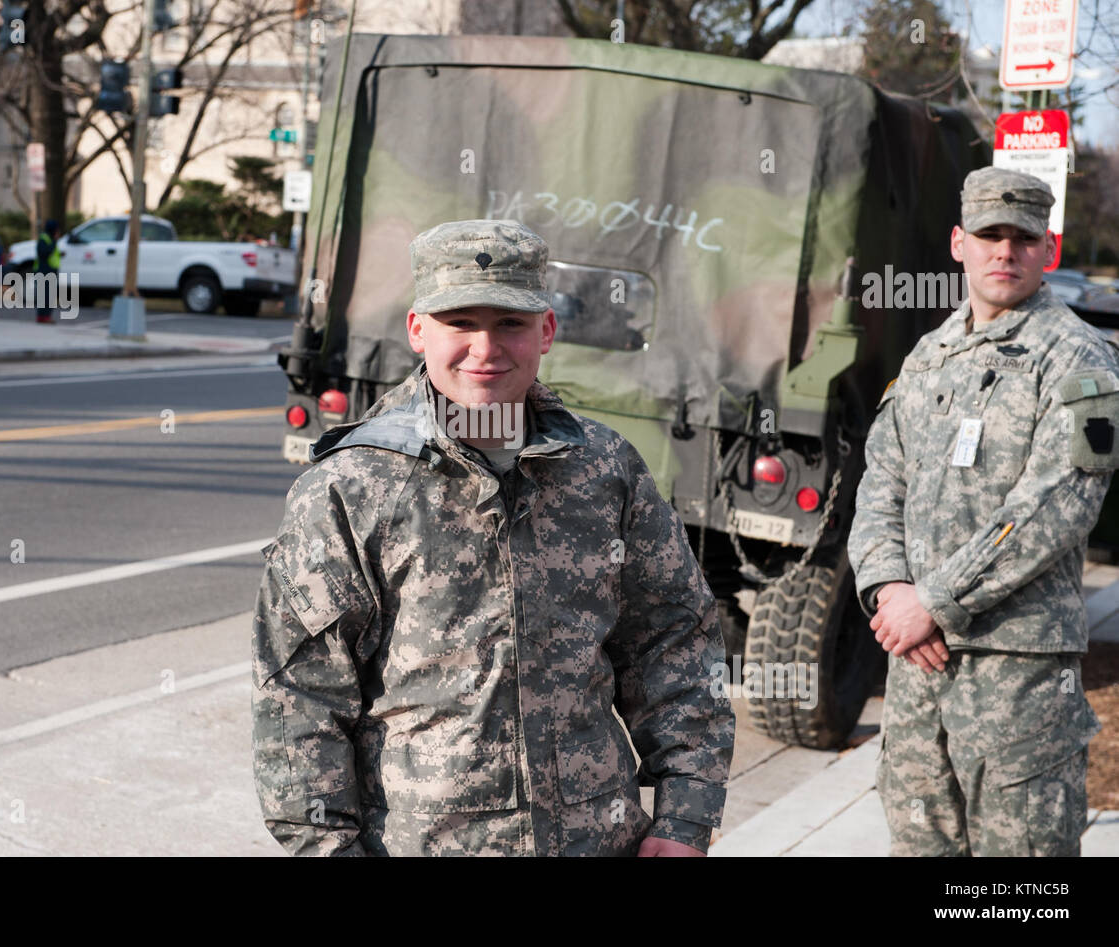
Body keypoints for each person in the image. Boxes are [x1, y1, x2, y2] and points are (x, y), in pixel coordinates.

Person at [251, 219, 734, 856]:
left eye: (509, 323)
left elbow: (675, 641)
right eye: (461, 323)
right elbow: (300, 697)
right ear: (418, 330)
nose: (485, 348)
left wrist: (684, 819)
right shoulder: (352, 487)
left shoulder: (605, 469)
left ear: (547, 331)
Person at [848, 167, 1119, 856]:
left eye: (1023, 238)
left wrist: (936, 599)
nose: (1005, 251)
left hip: (1018, 679)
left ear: (1048, 250)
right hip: (917, 670)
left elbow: (1060, 501)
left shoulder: (1082, 360)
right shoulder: (928, 356)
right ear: (958, 242)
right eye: (990, 235)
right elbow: (881, 481)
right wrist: (891, 589)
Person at [34, 218, 60, 324]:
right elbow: (44, 253)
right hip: (44, 270)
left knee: (48, 294)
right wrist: (54, 242)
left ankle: (44, 316)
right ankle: (44, 317)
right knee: (46, 295)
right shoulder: (45, 239)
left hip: (49, 269)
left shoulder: (47, 238)